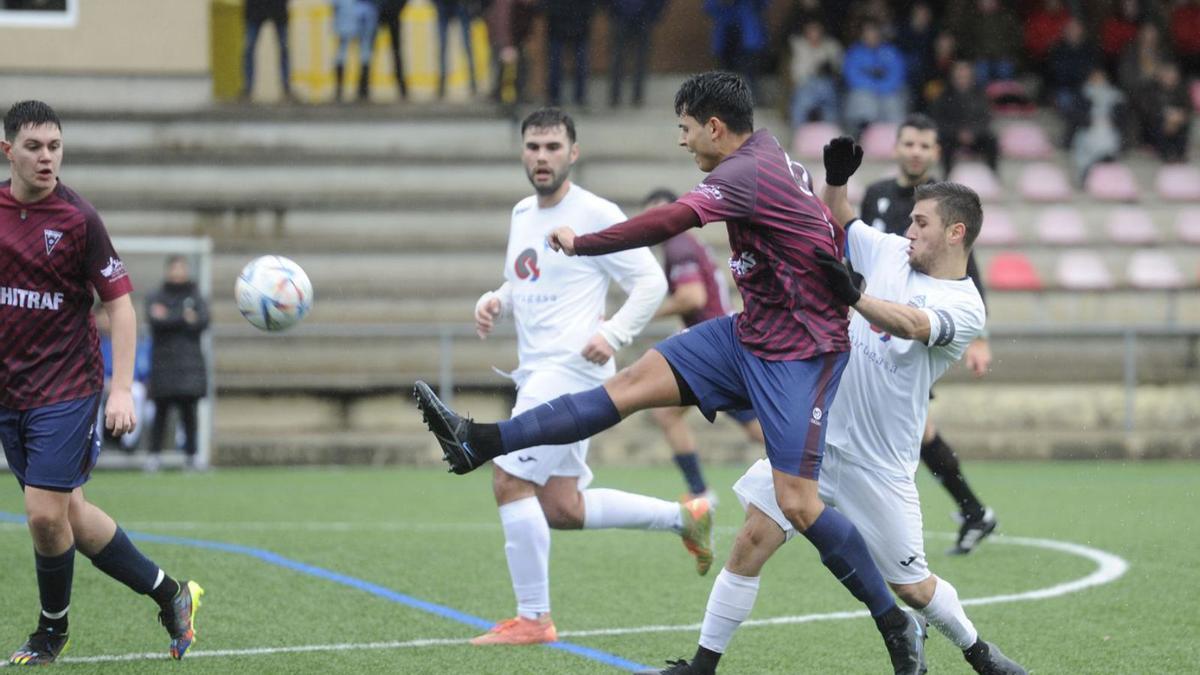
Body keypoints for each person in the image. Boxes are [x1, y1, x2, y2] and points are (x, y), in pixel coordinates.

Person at [416, 72, 928, 673]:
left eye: (685, 128)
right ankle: (480, 440)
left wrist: (582, 245)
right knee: (630, 386)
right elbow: (816, 228)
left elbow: (669, 221)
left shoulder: (742, 173)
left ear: (714, 127)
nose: (682, 141)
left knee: (799, 504)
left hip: (802, 353)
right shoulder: (770, 159)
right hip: (748, 335)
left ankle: (896, 624)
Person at [635, 139, 1027, 675]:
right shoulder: (890, 250)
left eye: (921, 223)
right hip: (814, 433)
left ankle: (980, 654)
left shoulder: (965, 303)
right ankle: (702, 666)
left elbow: (912, 325)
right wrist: (836, 178)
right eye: (910, 221)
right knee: (750, 540)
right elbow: (839, 215)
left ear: (956, 233)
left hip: (880, 463)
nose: (908, 231)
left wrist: (855, 298)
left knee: (911, 586)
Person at [447, 107, 718, 646]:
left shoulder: (595, 212)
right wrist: (495, 300)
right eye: (533, 147)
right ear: (523, 153)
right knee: (561, 507)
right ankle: (685, 517)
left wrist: (614, 334)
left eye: (552, 147)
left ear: (574, 152)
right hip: (539, 371)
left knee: (508, 478)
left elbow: (645, 281)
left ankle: (534, 619)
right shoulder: (523, 212)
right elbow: (520, 276)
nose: (542, 157)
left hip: (571, 371)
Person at [0, 100, 203, 665]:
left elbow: (121, 306)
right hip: (10, 390)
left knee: (43, 514)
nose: (46, 157)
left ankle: (50, 633)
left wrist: (119, 389)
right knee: (72, 516)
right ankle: (171, 593)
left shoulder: (77, 219)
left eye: (55, 147)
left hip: (68, 387)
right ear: (8, 150)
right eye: (34, 147)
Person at [859, 113, 998, 555]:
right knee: (912, 428)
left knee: (913, 428)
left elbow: (965, 272)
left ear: (936, 152)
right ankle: (973, 512)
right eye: (909, 143)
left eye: (925, 145)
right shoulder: (877, 195)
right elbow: (858, 255)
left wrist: (979, 338)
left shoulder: (942, 206)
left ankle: (965, 513)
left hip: (911, 333)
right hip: (868, 325)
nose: (916, 151)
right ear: (897, 147)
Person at [639, 188, 765, 503]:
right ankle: (700, 492)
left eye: (663, 211)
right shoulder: (686, 244)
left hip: (714, 351)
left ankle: (820, 465)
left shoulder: (678, 245)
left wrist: (641, 315)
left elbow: (692, 297)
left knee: (760, 430)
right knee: (668, 415)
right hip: (719, 345)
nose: (657, 220)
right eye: (650, 214)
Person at [144, 255, 210, 472]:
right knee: (160, 411)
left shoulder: (196, 295)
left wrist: (170, 317)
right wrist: (183, 316)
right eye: (175, 268)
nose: (178, 273)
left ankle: (192, 456)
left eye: (182, 268)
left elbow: (202, 321)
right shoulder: (156, 295)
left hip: (189, 364)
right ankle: (154, 456)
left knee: (189, 412)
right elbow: (154, 320)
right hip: (163, 363)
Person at [607, 0, 668, 108]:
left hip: (635, 17)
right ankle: (621, 96)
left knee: (633, 59)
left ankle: (629, 96)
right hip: (632, 17)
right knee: (626, 59)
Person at [241, 0, 294, 102]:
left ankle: (286, 88)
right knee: (249, 48)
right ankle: (247, 89)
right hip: (256, 8)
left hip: (277, 7)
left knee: (284, 48)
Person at [332, 0, 380, 102]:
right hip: (358, 9)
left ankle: (349, 89)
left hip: (350, 10)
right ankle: (361, 90)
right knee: (361, 49)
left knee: (348, 49)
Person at [433, 0, 478, 99]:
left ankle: (473, 83)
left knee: (466, 46)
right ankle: (442, 84)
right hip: (445, 6)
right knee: (444, 46)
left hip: (460, 5)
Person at [376, 0, 409, 99]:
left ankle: (401, 85)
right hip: (377, 13)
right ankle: (363, 87)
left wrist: (398, 8)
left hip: (393, 13)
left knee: (396, 51)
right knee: (368, 50)